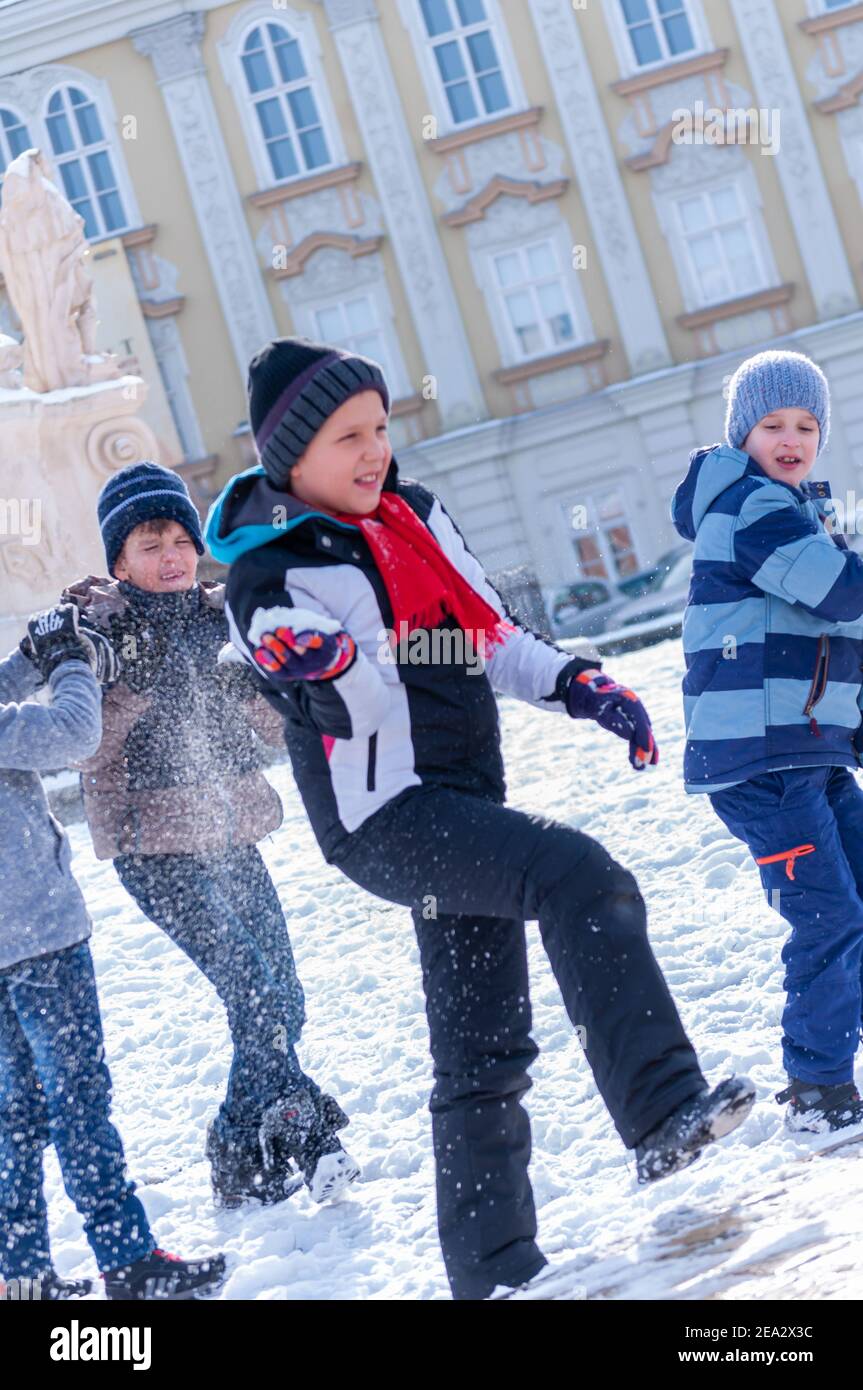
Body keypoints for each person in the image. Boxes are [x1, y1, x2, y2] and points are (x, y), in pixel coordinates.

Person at [204, 336, 754, 1301]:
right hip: (386, 819)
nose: (373, 451)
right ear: (291, 455)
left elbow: (483, 631)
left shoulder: (412, 516)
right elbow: (346, 697)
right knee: (579, 874)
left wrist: (577, 684)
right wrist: (322, 669)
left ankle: (491, 1270)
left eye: (379, 427)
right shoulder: (269, 570)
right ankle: (662, 1112)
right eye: (346, 437)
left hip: (462, 800)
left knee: (480, 1040)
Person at [63, 461, 359, 1209]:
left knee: (283, 998)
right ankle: (304, 1130)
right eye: (149, 545)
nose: (170, 558)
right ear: (119, 562)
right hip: (153, 849)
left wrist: (253, 682)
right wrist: (133, 684)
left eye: (180, 542)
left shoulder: (224, 614)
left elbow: (270, 728)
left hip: (230, 831)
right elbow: (83, 747)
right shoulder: (96, 632)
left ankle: (234, 1147)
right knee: (253, 991)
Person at [0, 603, 225, 1299]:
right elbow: (73, 732)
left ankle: (22, 1275)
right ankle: (128, 1261)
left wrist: (31, 659)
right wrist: (69, 661)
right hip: (38, 937)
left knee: (15, 1115)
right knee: (78, 1103)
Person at [671, 349, 863, 1134]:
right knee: (826, 915)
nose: (790, 437)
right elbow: (839, 592)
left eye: (806, 424)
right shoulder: (748, 508)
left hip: (806, 752)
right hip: (760, 760)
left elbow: (827, 636)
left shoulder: (792, 510)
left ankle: (827, 1063)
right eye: (771, 423)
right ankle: (816, 1088)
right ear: (740, 432)